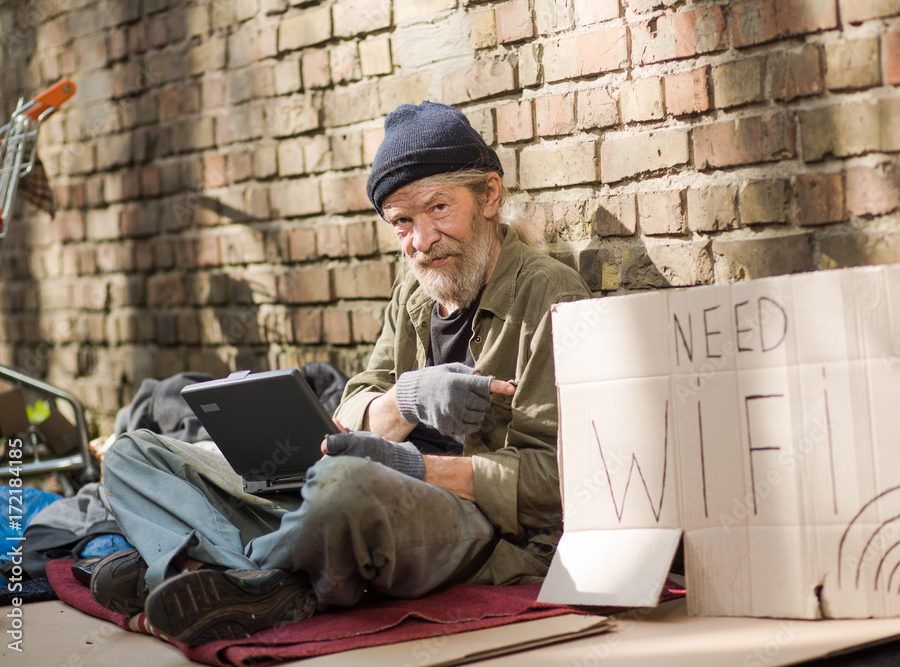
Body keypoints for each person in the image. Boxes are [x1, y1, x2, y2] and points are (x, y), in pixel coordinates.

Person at [92, 101, 591, 645]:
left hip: (464, 517)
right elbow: (351, 408)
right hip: (359, 493)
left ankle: (205, 564)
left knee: (342, 487)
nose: (421, 240)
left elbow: (561, 481)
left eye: (440, 208)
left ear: (490, 195)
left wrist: (411, 465)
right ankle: (262, 575)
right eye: (402, 222)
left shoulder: (547, 293)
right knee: (130, 453)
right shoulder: (413, 293)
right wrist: (406, 401)